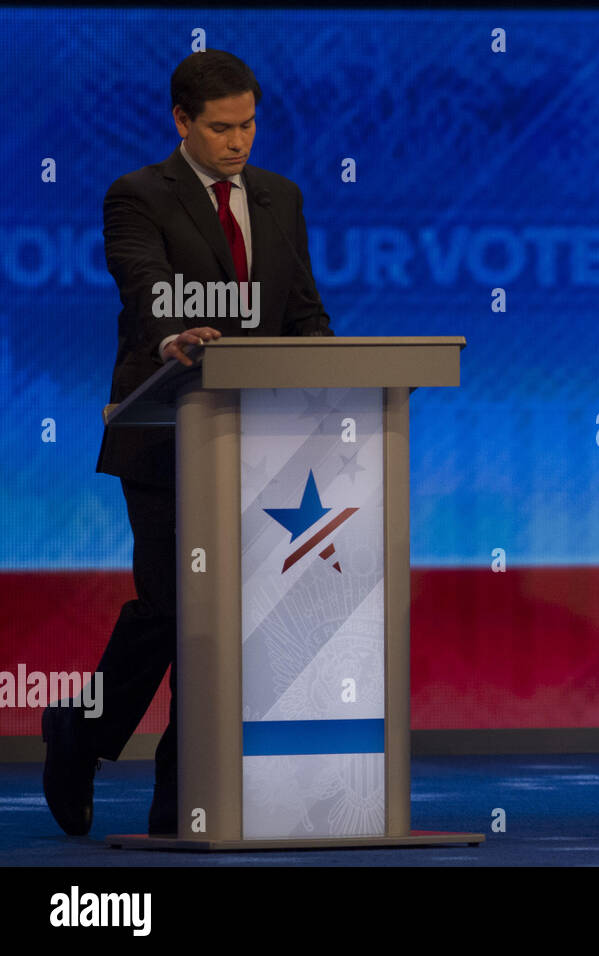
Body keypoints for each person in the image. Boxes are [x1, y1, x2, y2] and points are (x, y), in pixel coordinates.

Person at [42, 49, 333, 836]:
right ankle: (82, 730)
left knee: (228, 621)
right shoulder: (138, 195)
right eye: (220, 128)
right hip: (166, 434)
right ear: (182, 122)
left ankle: (182, 795)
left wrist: (333, 372)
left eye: (247, 125)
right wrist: (176, 333)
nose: (238, 142)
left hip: (260, 445)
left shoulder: (280, 197)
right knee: (172, 609)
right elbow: (142, 284)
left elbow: (302, 308)